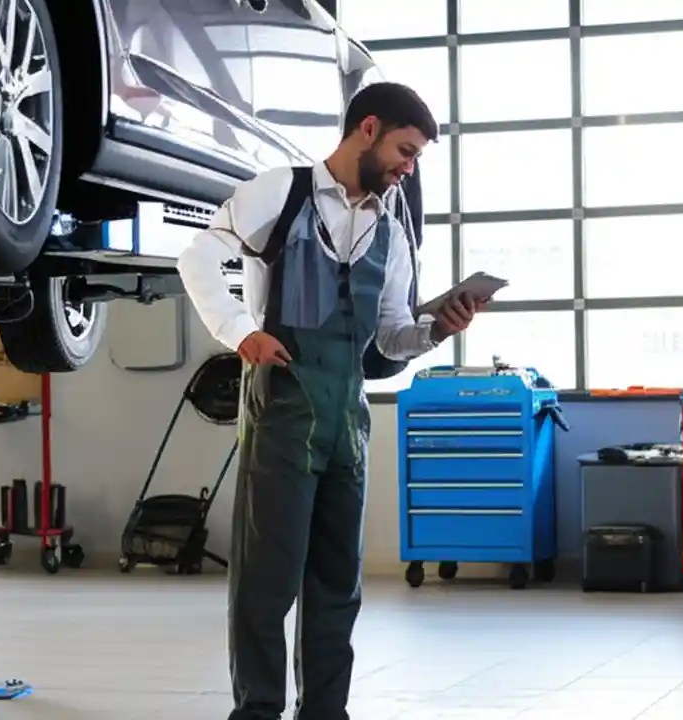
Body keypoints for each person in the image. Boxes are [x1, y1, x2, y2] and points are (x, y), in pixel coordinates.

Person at [177, 82, 481, 720]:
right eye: (405, 149)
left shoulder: (393, 229)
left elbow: (392, 335)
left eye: (417, 157)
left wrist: (437, 330)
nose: (409, 167)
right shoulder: (280, 193)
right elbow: (200, 255)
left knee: (338, 584)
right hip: (282, 413)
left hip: (350, 422)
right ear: (367, 129)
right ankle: (257, 710)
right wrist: (241, 332)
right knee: (267, 581)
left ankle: (325, 711)